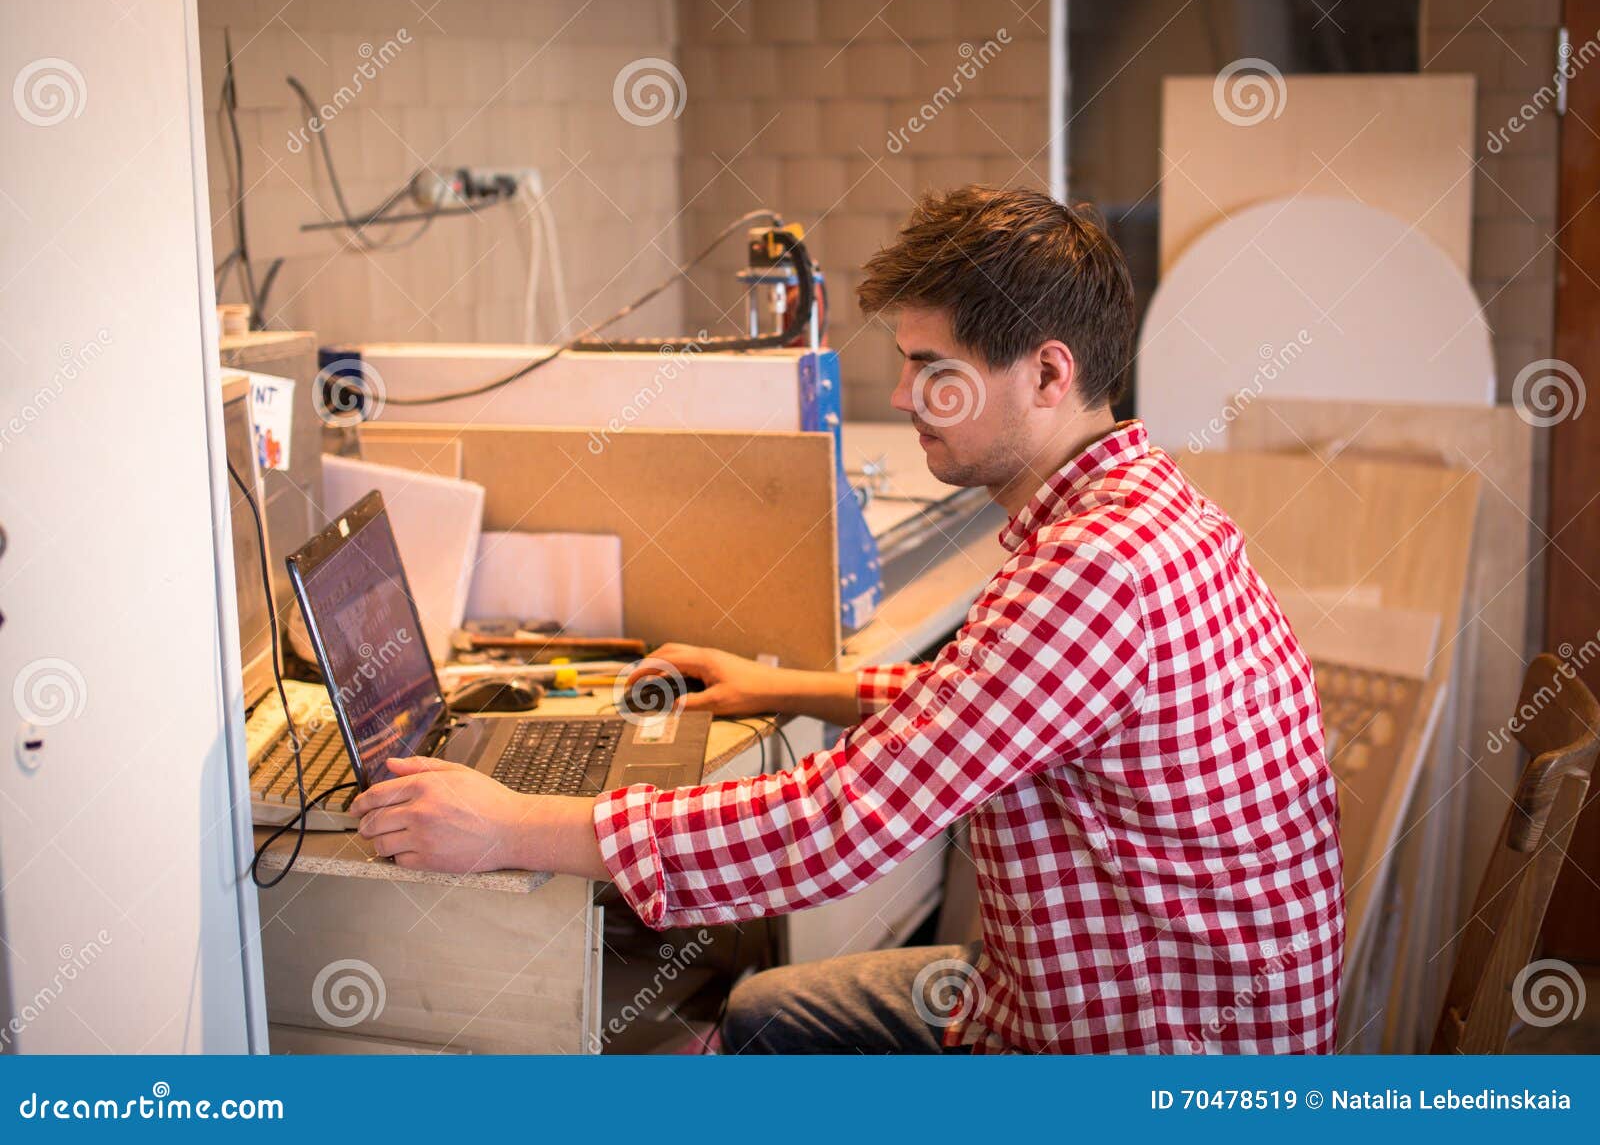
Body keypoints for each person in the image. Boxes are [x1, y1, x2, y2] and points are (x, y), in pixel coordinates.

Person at [350, 185, 1344, 1054]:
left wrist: (512, 824)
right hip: (1102, 1001)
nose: (905, 395)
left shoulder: (1091, 571)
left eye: (935, 368)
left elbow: (837, 824)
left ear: (1046, 374)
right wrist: (787, 686)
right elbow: (996, 707)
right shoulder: (1144, 506)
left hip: (1138, 1053)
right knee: (763, 1011)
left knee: (747, 1018)